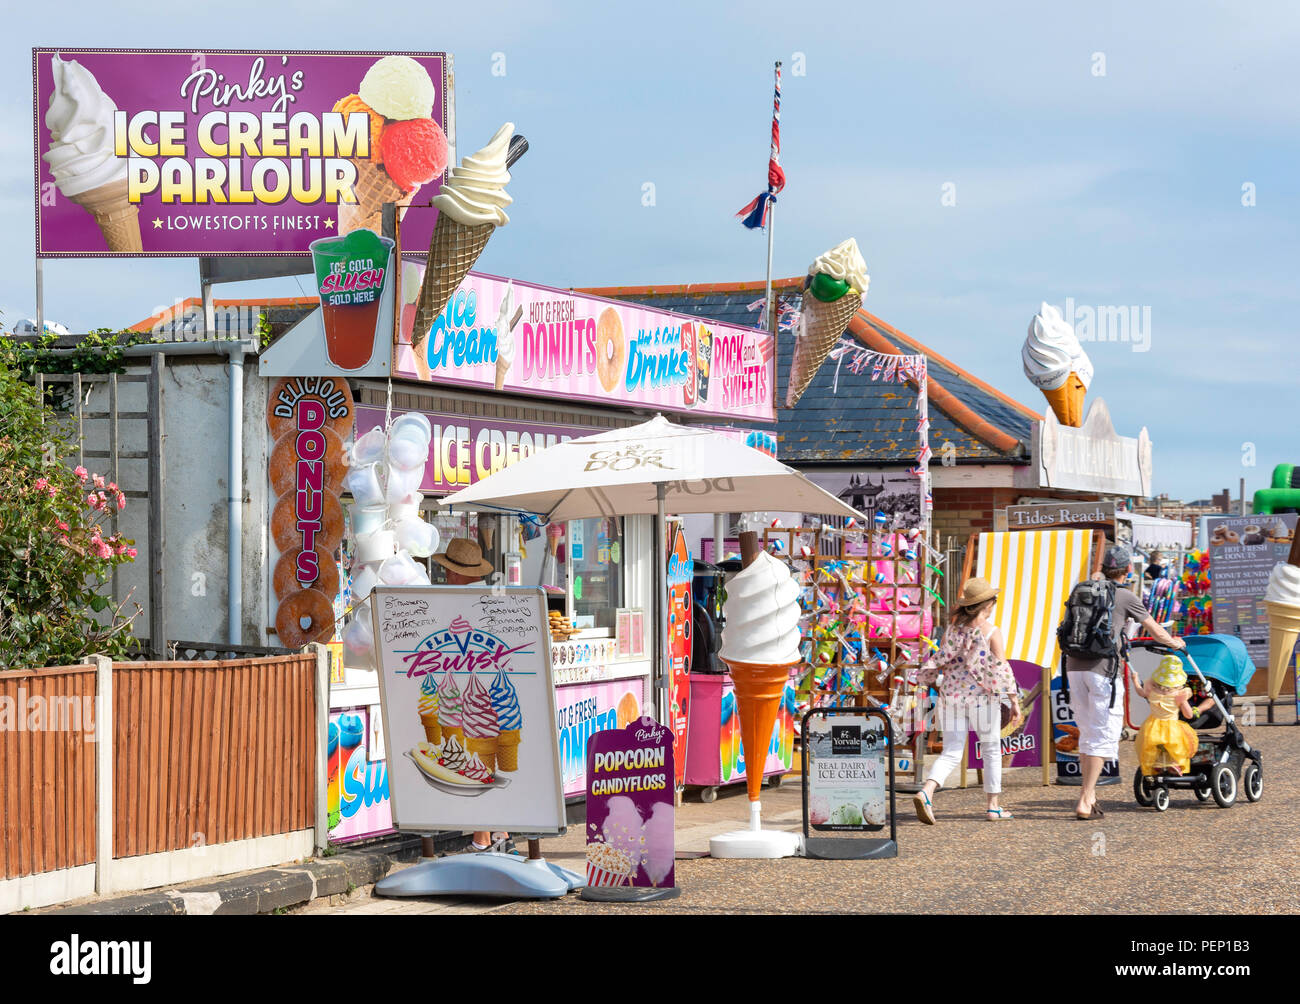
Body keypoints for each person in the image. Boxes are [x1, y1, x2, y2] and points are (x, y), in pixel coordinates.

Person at [1070, 545, 1185, 820]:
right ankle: (1086, 798)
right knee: (1103, 734)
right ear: (1128, 570)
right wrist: (1175, 643)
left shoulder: (1081, 590)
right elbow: (1155, 630)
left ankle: (1091, 795)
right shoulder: (1126, 596)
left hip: (1074, 668)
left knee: (1087, 733)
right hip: (1103, 671)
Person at [913, 577, 1022, 824]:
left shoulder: (952, 630)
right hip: (982, 699)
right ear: (988, 604)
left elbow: (944, 659)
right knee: (991, 749)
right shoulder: (992, 632)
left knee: (952, 751)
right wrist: (1013, 700)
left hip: (951, 696)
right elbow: (1002, 670)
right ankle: (993, 807)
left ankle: (927, 791)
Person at [429, 537, 513, 855]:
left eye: (448, 571)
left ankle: (481, 840)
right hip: (495, 693)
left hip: (471, 695)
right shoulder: (495, 599)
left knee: (475, 764)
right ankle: (501, 833)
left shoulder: (460, 602)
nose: (446, 576)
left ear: (456, 573)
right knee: (487, 762)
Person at [1130, 655, 1198, 777]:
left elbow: (1141, 692)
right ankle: (1173, 763)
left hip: (1152, 727)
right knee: (1179, 745)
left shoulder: (1151, 690)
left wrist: (1135, 680)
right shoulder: (1179, 695)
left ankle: (1157, 764)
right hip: (1171, 728)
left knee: (1155, 747)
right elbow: (1188, 715)